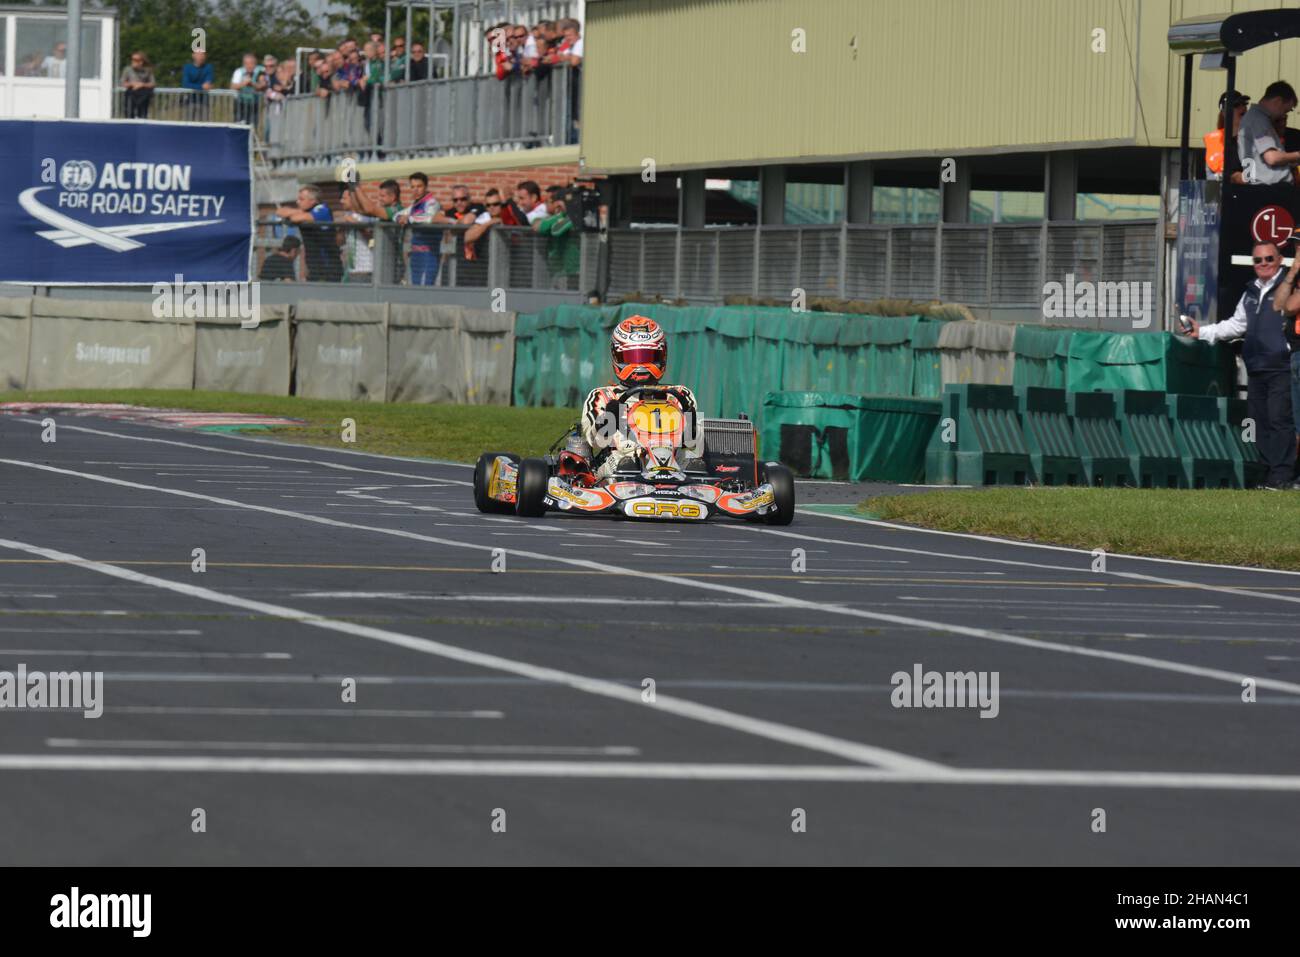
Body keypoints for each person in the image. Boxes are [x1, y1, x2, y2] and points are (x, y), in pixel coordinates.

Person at [1186, 241, 1297, 489]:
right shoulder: (1250, 291)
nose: (1264, 264)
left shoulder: (1290, 287)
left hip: (1282, 366)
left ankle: (1282, 475)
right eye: (1258, 260)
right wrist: (1201, 331)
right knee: (1257, 422)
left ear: (1279, 260)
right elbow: (1235, 325)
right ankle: (1267, 472)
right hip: (1256, 368)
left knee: (1280, 421)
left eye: (1269, 258)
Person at [573, 317, 703, 482]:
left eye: (648, 356)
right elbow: (596, 442)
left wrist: (690, 425)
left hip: (674, 465)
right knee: (627, 464)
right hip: (620, 464)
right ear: (617, 356)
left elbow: (695, 445)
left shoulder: (679, 395)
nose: (641, 365)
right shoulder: (603, 396)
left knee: (695, 463)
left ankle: (693, 489)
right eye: (631, 357)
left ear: (662, 355)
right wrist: (609, 419)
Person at [1238, 80, 1300, 185]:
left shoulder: (1258, 119)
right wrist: (1297, 155)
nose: (1282, 116)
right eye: (1285, 110)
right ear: (1278, 101)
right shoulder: (1258, 120)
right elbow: (1271, 157)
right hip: (1271, 189)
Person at [275, 186, 341, 282]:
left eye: (301, 199)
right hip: (314, 265)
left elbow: (296, 218)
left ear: (312, 201)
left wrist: (295, 214)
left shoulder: (322, 209)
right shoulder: (306, 209)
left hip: (328, 266)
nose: (298, 202)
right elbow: (280, 211)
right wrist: (299, 211)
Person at [395, 172, 445, 285]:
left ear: (426, 187)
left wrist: (409, 218)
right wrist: (400, 218)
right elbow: (397, 215)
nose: (415, 190)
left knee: (426, 289)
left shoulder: (432, 203)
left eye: (419, 186)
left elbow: (429, 217)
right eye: (412, 187)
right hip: (415, 254)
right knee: (414, 287)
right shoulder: (414, 205)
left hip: (429, 254)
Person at [535, 187, 579, 287]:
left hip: (571, 272)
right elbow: (538, 225)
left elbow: (556, 230)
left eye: (549, 201)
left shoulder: (572, 218)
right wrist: (558, 216)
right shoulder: (558, 217)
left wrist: (560, 215)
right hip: (557, 270)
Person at [1204, 90, 1248, 183]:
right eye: (1236, 105)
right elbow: (1210, 177)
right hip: (1226, 193)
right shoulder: (1215, 141)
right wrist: (1231, 177)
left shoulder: (1256, 136)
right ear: (1224, 113)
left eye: (1244, 103)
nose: (1242, 107)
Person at [231, 53, 265, 127]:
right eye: (247, 63)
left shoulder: (261, 70)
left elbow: (262, 85)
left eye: (252, 63)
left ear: (255, 63)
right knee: (238, 125)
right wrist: (244, 83)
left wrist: (252, 84)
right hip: (240, 103)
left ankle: (250, 138)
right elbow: (233, 86)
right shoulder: (239, 71)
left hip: (254, 104)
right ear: (243, 64)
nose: (249, 66)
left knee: (252, 126)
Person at [119, 51, 156, 119]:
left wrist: (142, 84)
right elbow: (122, 82)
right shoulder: (127, 69)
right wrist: (132, 84)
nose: (133, 61)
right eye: (132, 59)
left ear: (141, 62)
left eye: (135, 60)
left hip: (143, 96)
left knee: (142, 115)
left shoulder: (148, 70)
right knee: (129, 114)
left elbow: (153, 83)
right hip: (131, 95)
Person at [182, 48, 214, 120]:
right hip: (190, 101)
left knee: (204, 124)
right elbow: (185, 84)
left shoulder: (209, 67)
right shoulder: (187, 67)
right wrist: (201, 87)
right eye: (199, 54)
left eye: (203, 54)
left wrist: (199, 87)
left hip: (204, 101)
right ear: (193, 55)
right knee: (188, 124)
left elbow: (208, 83)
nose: (201, 56)